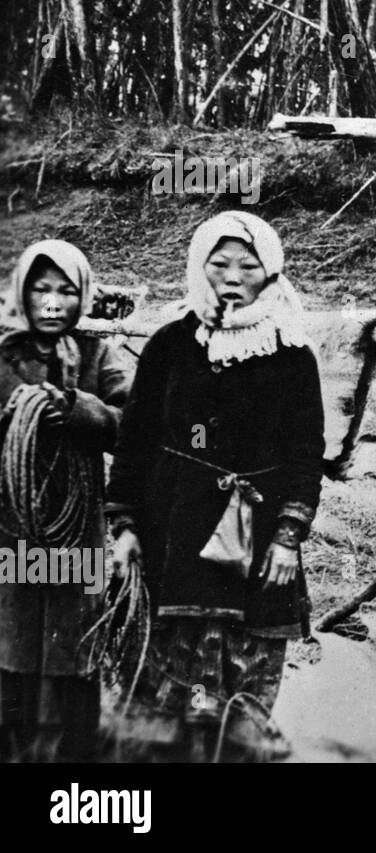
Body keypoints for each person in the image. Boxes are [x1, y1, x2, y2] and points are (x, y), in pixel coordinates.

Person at [105, 212, 324, 762]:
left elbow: (305, 453)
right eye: (219, 263)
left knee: (244, 701)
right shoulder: (169, 346)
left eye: (248, 265)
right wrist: (125, 525)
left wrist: (288, 536)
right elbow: (135, 443)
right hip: (172, 533)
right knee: (162, 698)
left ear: (270, 273)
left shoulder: (292, 354)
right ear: (198, 267)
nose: (233, 276)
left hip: (259, 542)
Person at [0, 241, 131, 761]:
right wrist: (18, 415)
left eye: (66, 290)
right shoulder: (3, 355)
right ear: (22, 294)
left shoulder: (98, 353)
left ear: (84, 297)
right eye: (40, 289)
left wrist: (81, 410)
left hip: (78, 530)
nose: (52, 302)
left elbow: (134, 425)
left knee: (77, 643)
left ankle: (77, 765)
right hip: (11, 525)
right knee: (12, 642)